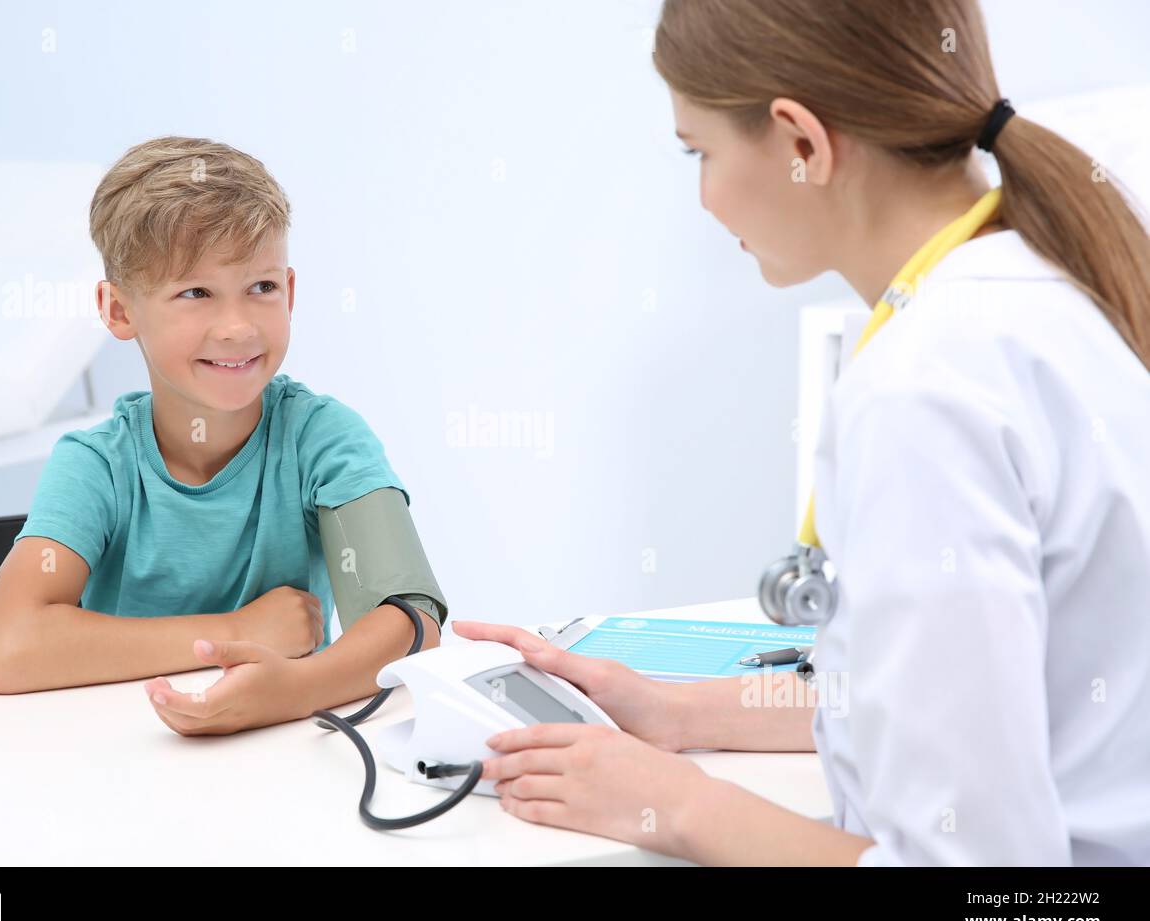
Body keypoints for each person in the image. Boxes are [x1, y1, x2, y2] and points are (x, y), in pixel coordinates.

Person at [454, 0, 1150, 865]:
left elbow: (991, 896)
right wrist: (677, 711)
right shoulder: (1054, 284)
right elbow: (971, 701)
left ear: (801, 144)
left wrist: (675, 806)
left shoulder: (926, 390)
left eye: (698, 152)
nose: (704, 198)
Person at [0, 137, 447, 735]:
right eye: (195, 293)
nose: (237, 327)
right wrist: (236, 633)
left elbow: (408, 618)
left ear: (291, 291)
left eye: (261, 287)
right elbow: (8, 647)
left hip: (281, 752)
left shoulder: (323, 439)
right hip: (116, 757)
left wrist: (296, 691)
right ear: (119, 311)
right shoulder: (96, 465)